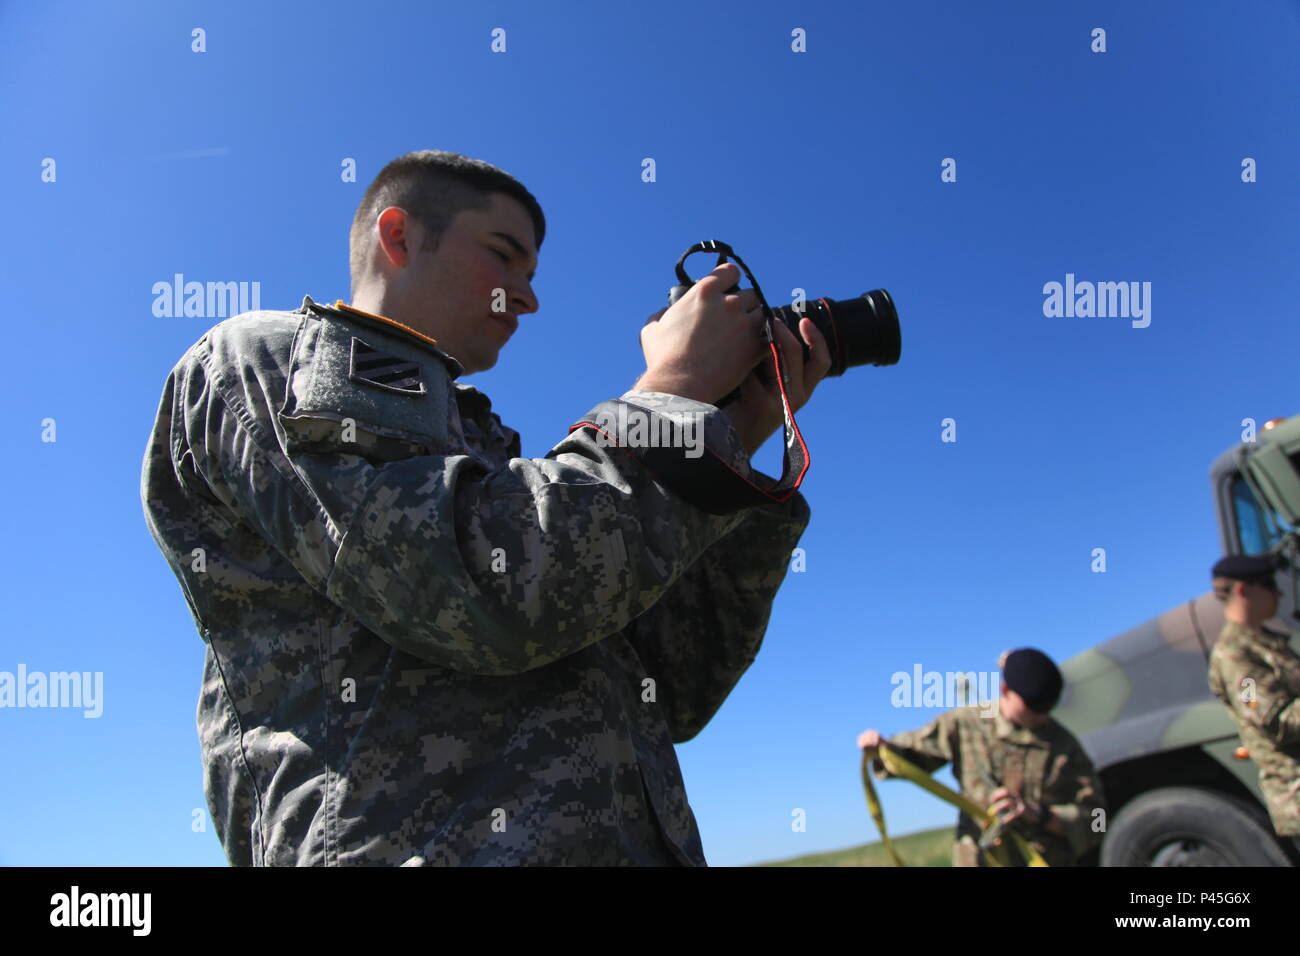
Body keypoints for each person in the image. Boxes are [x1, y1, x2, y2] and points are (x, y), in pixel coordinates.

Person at [140, 149, 831, 866]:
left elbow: (675, 688)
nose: (527, 297)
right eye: (504, 257)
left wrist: (728, 443)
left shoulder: (484, 448)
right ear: (400, 236)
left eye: (532, 276)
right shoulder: (273, 360)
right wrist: (671, 399)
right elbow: (489, 597)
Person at [856, 648, 1104, 866]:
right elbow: (913, 755)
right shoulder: (968, 723)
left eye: (1048, 708)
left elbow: (1098, 820)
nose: (1042, 716)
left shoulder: (1064, 745)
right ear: (1005, 690)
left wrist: (1041, 815)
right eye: (1034, 707)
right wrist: (882, 749)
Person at [1206, 553, 1300, 845]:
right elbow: (1273, 722)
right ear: (1243, 590)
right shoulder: (1235, 655)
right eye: (1269, 584)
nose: (1279, 592)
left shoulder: (1267, 643)